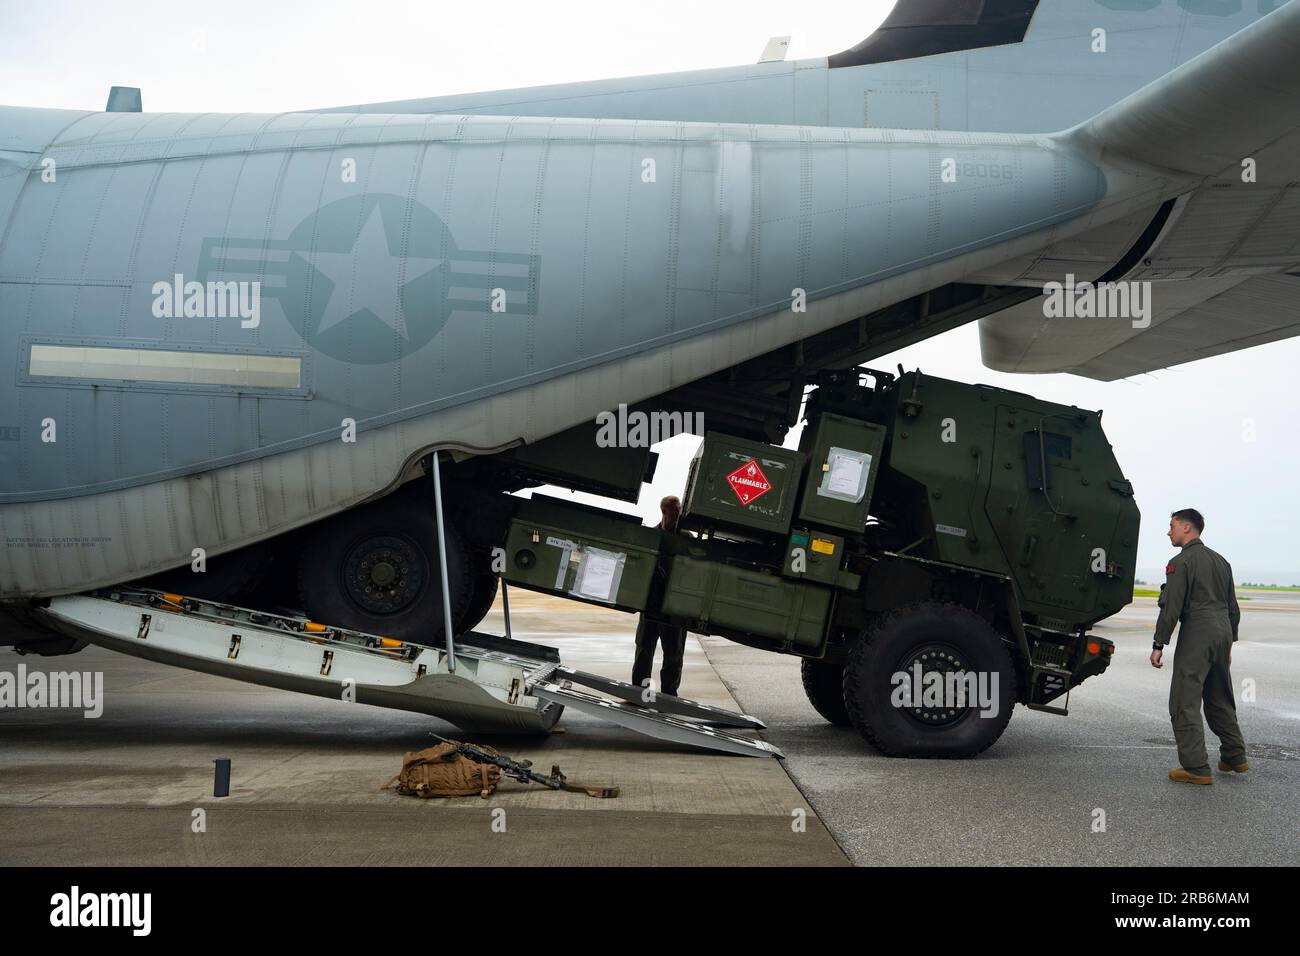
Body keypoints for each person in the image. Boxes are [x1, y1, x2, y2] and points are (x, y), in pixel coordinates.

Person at [1150, 509, 1249, 785]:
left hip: (1198, 631)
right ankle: (1234, 755)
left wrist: (1159, 643)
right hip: (1222, 632)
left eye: (1171, 526)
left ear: (1186, 527)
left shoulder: (1180, 562)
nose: (1168, 531)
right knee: (1219, 697)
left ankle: (1196, 768)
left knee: (1184, 700)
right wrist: (1228, 643)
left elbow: (1172, 607)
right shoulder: (1222, 561)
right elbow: (1233, 607)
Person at [631, 495, 689, 698]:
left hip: (676, 608)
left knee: (673, 654)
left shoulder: (686, 538)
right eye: (676, 510)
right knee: (644, 651)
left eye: (679, 510)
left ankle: (669, 695)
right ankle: (640, 692)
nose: (679, 514)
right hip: (651, 606)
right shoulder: (651, 536)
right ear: (665, 511)